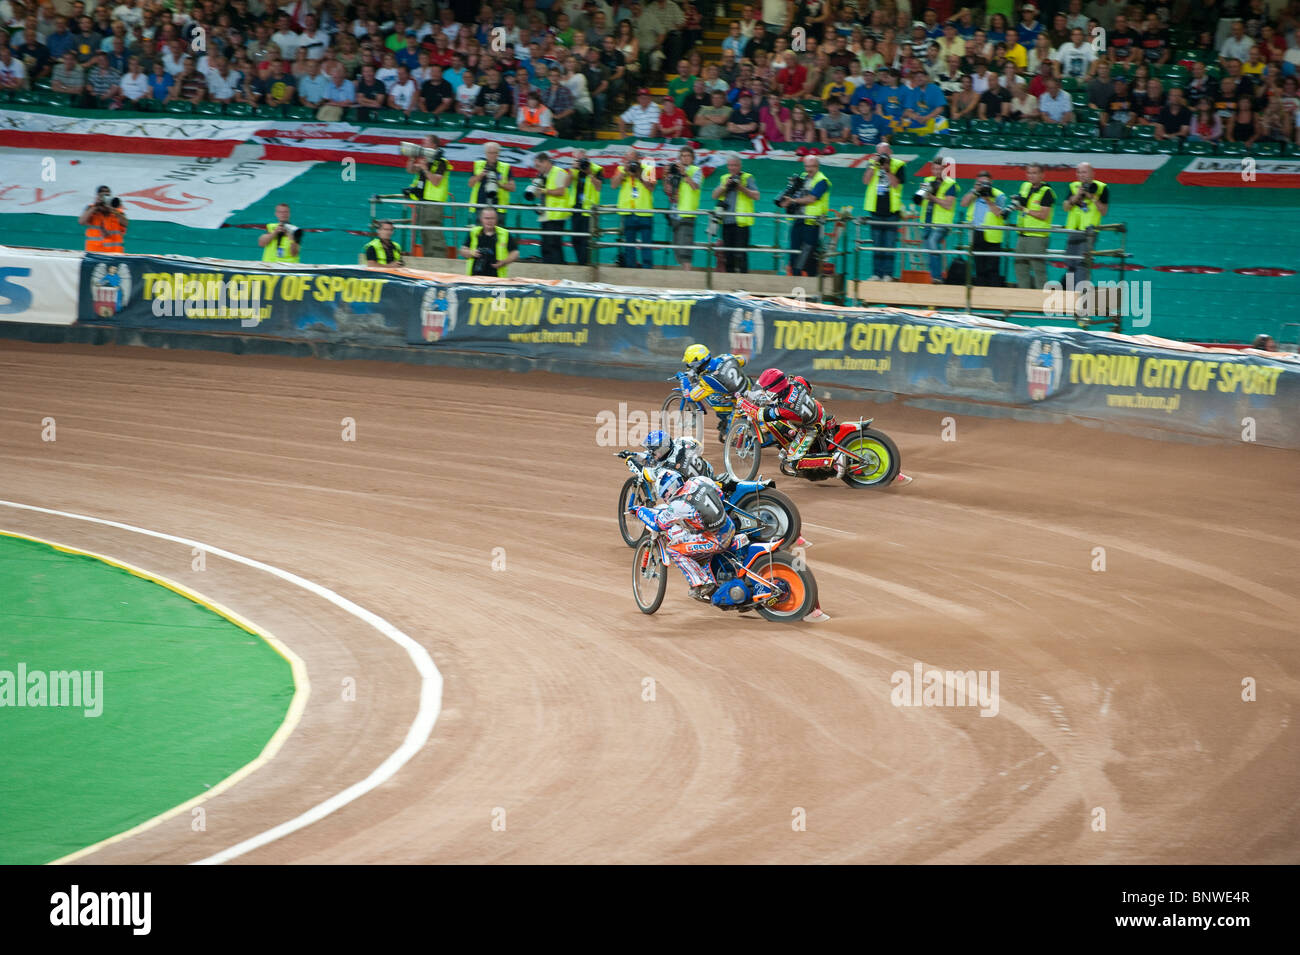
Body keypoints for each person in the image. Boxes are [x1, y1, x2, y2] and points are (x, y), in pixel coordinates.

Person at [636, 474, 738, 602]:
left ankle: (702, 583)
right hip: (729, 525)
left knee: (674, 549)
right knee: (690, 534)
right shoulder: (698, 480)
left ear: (667, 492)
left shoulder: (678, 506)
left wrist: (640, 510)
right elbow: (720, 495)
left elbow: (659, 525)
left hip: (716, 540)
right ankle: (708, 568)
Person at [753, 367, 835, 469]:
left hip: (812, 427)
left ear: (774, 389)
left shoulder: (784, 408)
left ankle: (833, 461)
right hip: (818, 409)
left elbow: (761, 415)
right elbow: (809, 388)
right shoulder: (797, 381)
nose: (764, 392)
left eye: (766, 389)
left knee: (793, 461)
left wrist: (743, 403)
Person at [680, 343, 752, 441]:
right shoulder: (727, 357)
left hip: (741, 404)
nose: (688, 367)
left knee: (729, 438)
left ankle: (729, 423)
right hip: (751, 388)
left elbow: (691, 396)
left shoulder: (708, 380)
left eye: (689, 364)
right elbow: (743, 360)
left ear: (696, 362)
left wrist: (684, 379)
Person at [778, 154, 831, 277]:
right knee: (794, 254)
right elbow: (795, 194)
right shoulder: (802, 178)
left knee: (808, 256)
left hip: (812, 223)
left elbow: (812, 198)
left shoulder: (822, 181)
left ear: (817, 166)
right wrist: (786, 200)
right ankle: (796, 284)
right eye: (806, 166)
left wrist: (793, 201)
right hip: (798, 221)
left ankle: (811, 285)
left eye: (811, 166)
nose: (808, 169)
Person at [861, 142, 906, 281]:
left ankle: (888, 274)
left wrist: (887, 169)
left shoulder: (899, 165)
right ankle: (876, 273)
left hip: (892, 211)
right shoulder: (872, 163)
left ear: (890, 152)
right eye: (880, 153)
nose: (882, 155)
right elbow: (865, 181)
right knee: (877, 244)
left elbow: (896, 183)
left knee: (889, 244)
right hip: (876, 210)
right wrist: (873, 165)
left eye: (885, 152)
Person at [959, 170, 1010, 287]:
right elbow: (963, 203)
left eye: (985, 183)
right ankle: (980, 296)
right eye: (980, 183)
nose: (983, 186)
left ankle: (994, 298)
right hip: (976, 233)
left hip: (992, 235)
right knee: (979, 266)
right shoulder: (974, 193)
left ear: (991, 182)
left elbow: (999, 213)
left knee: (993, 268)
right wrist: (975, 191)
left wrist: (987, 199)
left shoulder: (999, 195)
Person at [711, 155, 759, 274]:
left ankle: (743, 279)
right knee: (728, 254)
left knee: (741, 254)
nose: (732, 168)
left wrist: (741, 188)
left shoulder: (747, 178)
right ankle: (729, 279)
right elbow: (714, 195)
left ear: (740, 166)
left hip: (741, 223)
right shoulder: (724, 178)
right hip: (726, 221)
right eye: (730, 165)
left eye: (735, 165)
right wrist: (725, 186)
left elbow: (756, 196)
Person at [1062, 162, 1109, 285]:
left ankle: (1080, 295)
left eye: (1084, 172)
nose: (1081, 175)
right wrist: (1076, 196)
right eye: (1078, 172)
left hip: (1088, 234)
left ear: (1092, 173)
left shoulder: (1101, 188)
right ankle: (1070, 294)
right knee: (1071, 264)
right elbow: (1065, 207)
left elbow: (1103, 211)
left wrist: (1091, 196)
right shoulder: (1073, 186)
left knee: (1082, 265)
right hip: (1073, 232)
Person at [1011, 163, 1055, 290]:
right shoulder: (1025, 186)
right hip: (1022, 235)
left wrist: (1024, 209)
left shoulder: (1047, 192)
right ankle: (1025, 298)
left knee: (1038, 271)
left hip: (1037, 236)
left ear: (1042, 175)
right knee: (1020, 267)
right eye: (1029, 173)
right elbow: (1022, 201)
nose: (1031, 176)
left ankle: (1041, 303)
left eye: (1034, 173)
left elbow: (1043, 215)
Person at [405, 136, 450, 257]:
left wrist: (425, 169)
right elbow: (411, 170)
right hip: (422, 201)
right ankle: (428, 258)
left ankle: (439, 260)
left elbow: (436, 181)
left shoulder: (441, 162)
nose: (423, 145)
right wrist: (411, 158)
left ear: (434, 145)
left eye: (426, 143)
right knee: (424, 232)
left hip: (434, 202)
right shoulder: (425, 160)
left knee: (434, 233)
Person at [913, 163, 958, 283]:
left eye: (939, 169)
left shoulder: (950, 184)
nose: (936, 171)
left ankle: (937, 277)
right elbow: (919, 202)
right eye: (934, 169)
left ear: (944, 170)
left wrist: (932, 197)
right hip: (927, 222)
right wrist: (922, 193)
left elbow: (948, 205)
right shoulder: (927, 180)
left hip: (941, 223)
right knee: (930, 251)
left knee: (933, 244)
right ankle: (935, 278)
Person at [612, 148, 657, 268]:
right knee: (629, 243)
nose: (631, 162)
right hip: (628, 212)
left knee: (646, 243)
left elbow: (652, 187)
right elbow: (613, 185)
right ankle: (630, 268)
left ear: (639, 159)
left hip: (645, 212)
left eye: (633, 159)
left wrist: (639, 174)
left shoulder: (648, 169)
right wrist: (624, 172)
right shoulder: (621, 169)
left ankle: (647, 270)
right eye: (628, 159)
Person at [663, 146, 704, 269]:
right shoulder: (674, 172)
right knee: (677, 246)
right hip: (674, 213)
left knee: (685, 248)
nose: (685, 158)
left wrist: (684, 174)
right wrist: (665, 176)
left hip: (687, 213)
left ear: (692, 158)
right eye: (683, 156)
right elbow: (668, 191)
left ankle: (688, 274)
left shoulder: (697, 170)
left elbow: (695, 186)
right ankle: (684, 273)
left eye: (688, 156)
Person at [532, 152, 572, 265]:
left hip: (556, 215)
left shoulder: (559, 172)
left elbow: (562, 191)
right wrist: (535, 189)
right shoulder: (542, 176)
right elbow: (539, 195)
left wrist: (544, 191)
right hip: (545, 215)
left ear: (545, 162)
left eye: (538, 166)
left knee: (553, 244)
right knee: (545, 245)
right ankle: (548, 267)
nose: (537, 169)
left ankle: (558, 267)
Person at [459, 207, 520, 277]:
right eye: (487, 218)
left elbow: (515, 253)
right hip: (475, 278)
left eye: (492, 218)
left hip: (497, 278)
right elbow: (463, 250)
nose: (489, 221)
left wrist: (504, 262)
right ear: (481, 219)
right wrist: (471, 253)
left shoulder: (505, 233)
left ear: (496, 219)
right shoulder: (473, 232)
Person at [567, 148, 602, 266]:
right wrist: (572, 169)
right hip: (576, 208)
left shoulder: (596, 169)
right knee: (575, 239)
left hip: (589, 210)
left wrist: (590, 173)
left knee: (586, 240)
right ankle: (580, 262)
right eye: (579, 160)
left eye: (583, 159)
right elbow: (566, 184)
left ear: (587, 159)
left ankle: (584, 264)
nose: (581, 162)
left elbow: (599, 187)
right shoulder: (574, 170)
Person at [468, 141, 515, 217]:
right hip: (480, 205)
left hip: (499, 207)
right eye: (490, 153)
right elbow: (470, 184)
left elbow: (512, 188)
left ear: (499, 153)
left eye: (495, 153)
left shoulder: (506, 167)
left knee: (499, 228)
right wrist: (480, 175)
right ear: (485, 153)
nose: (492, 155)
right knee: (480, 228)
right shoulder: (478, 165)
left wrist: (499, 184)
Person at [79, 185, 127, 253]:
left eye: (107, 193)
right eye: (102, 193)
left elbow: (125, 223)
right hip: (94, 253)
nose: (105, 195)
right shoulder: (91, 208)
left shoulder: (117, 210)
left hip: (114, 253)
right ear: (98, 196)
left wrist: (112, 209)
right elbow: (81, 221)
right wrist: (96, 206)